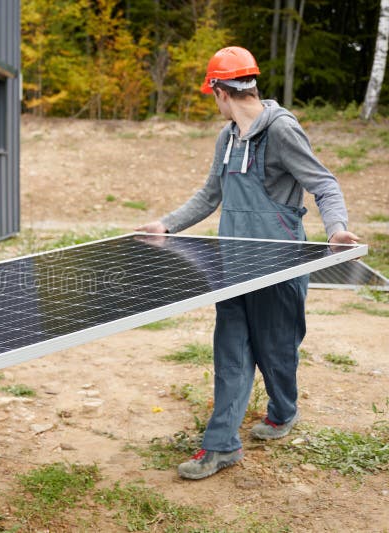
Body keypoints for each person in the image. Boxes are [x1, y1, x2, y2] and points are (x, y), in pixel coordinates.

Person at [136, 46, 359, 480]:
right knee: (231, 354)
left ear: (222, 90)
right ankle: (221, 446)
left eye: (212, 94)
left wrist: (336, 230)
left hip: (279, 265)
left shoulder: (282, 131)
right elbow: (209, 196)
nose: (213, 102)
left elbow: (325, 185)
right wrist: (167, 225)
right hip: (233, 267)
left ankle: (284, 411)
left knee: (277, 353)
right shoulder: (226, 139)